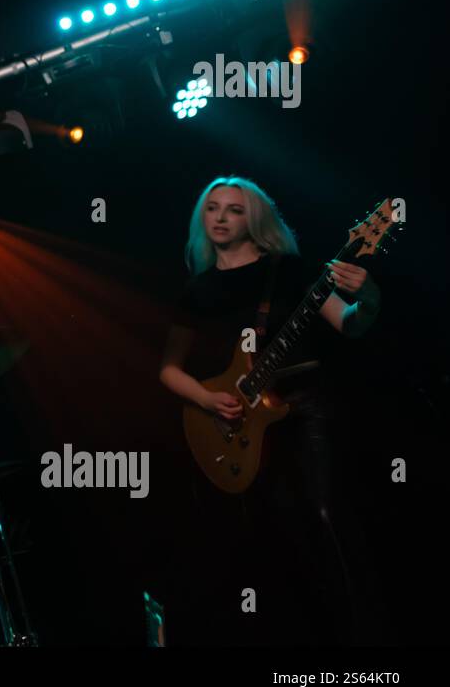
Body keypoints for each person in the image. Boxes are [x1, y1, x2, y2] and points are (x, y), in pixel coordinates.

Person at [157, 176, 388, 645]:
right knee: (274, 535)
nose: (221, 217)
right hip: (239, 420)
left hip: (304, 406)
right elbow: (169, 370)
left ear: (255, 218)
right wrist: (207, 399)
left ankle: (366, 636)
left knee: (324, 515)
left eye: (235, 210)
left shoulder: (290, 270)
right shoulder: (197, 290)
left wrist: (371, 298)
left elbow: (348, 324)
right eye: (212, 208)